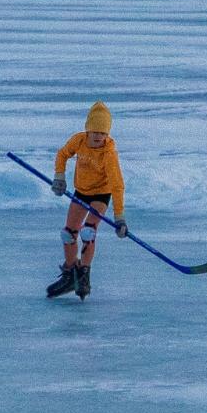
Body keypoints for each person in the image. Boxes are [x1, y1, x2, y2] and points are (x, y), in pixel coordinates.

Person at [45, 101, 126, 300]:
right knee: (67, 233)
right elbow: (62, 154)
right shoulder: (78, 141)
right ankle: (70, 273)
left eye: (103, 133)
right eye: (95, 132)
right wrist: (59, 177)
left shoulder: (109, 154)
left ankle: (84, 275)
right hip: (81, 192)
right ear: (87, 130)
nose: (99, 136)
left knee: (88, 231)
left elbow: (117, 186)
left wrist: (119, 217)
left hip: (101, 194)